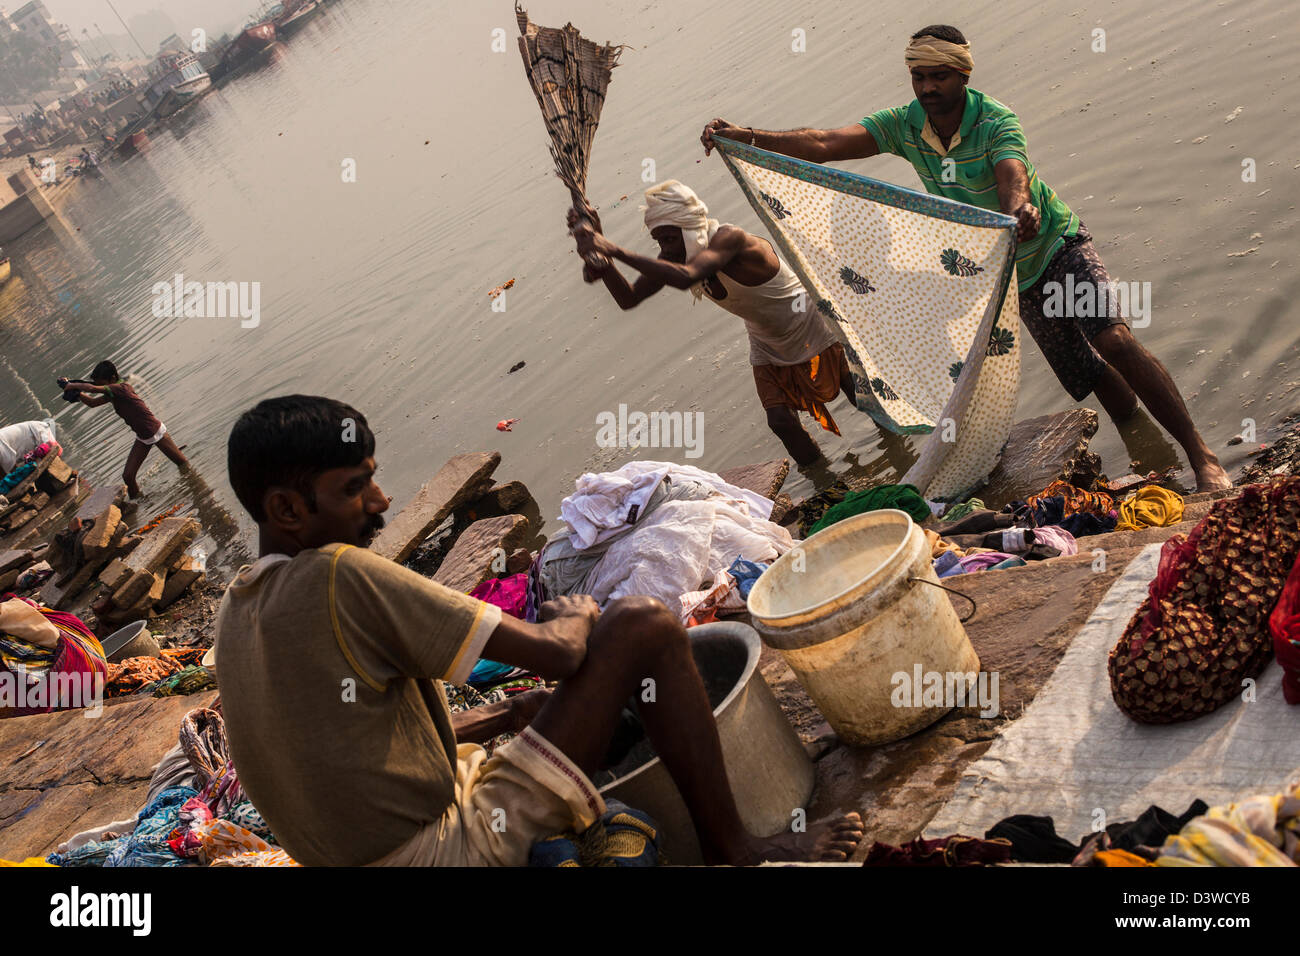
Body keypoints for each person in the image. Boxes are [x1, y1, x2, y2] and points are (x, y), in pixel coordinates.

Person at [212, 394, 864, 866]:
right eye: (357, 488)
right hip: (444, 850)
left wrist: (502, 715)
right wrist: (576, 615)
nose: (381, 504)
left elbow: (350, 742)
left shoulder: (238, 612)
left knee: (560, 688)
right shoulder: (339, 576)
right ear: (287, 509)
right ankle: (736, 847)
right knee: (639, 624)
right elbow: (555, 655)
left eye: (375, 480)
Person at [700, 24, 1231, 493]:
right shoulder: (906, 124)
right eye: (919, 78)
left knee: (1112, 338)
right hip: (1008, 275)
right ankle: (1146, 456)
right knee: (1086, 371)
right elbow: (824, 143)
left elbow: (1013, 178)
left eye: (939, 78)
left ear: (963, 76)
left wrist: (1018, 210)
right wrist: (745, 136)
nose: (928, 89)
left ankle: (1198, 454)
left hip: (1055, 245)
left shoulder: (996, 121)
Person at [570, 181, 854, 466]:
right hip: (766, 339)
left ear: (690, 229)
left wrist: (612, 249)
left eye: (669, 239)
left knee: (858, 392)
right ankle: (826, 484)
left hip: (809, 322)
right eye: (659, 241)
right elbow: (628, 298)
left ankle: (896, 446)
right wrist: (600, 251)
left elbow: (687, 277)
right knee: (780, 421)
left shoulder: (731, 240)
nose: (665, 249)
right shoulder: (676, 256)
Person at [61, 360, 189, 499]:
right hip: (142, 437)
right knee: (128, 476)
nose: (100, 386)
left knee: (183, 465)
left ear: (113, 378)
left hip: (155, 431)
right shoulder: (113, 393)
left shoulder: (121, 388)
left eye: (102, 382)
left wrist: (70, 385)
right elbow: (92, 403)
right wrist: (78, 394)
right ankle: (139, 502)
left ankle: (195, 487)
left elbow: (92, 389)